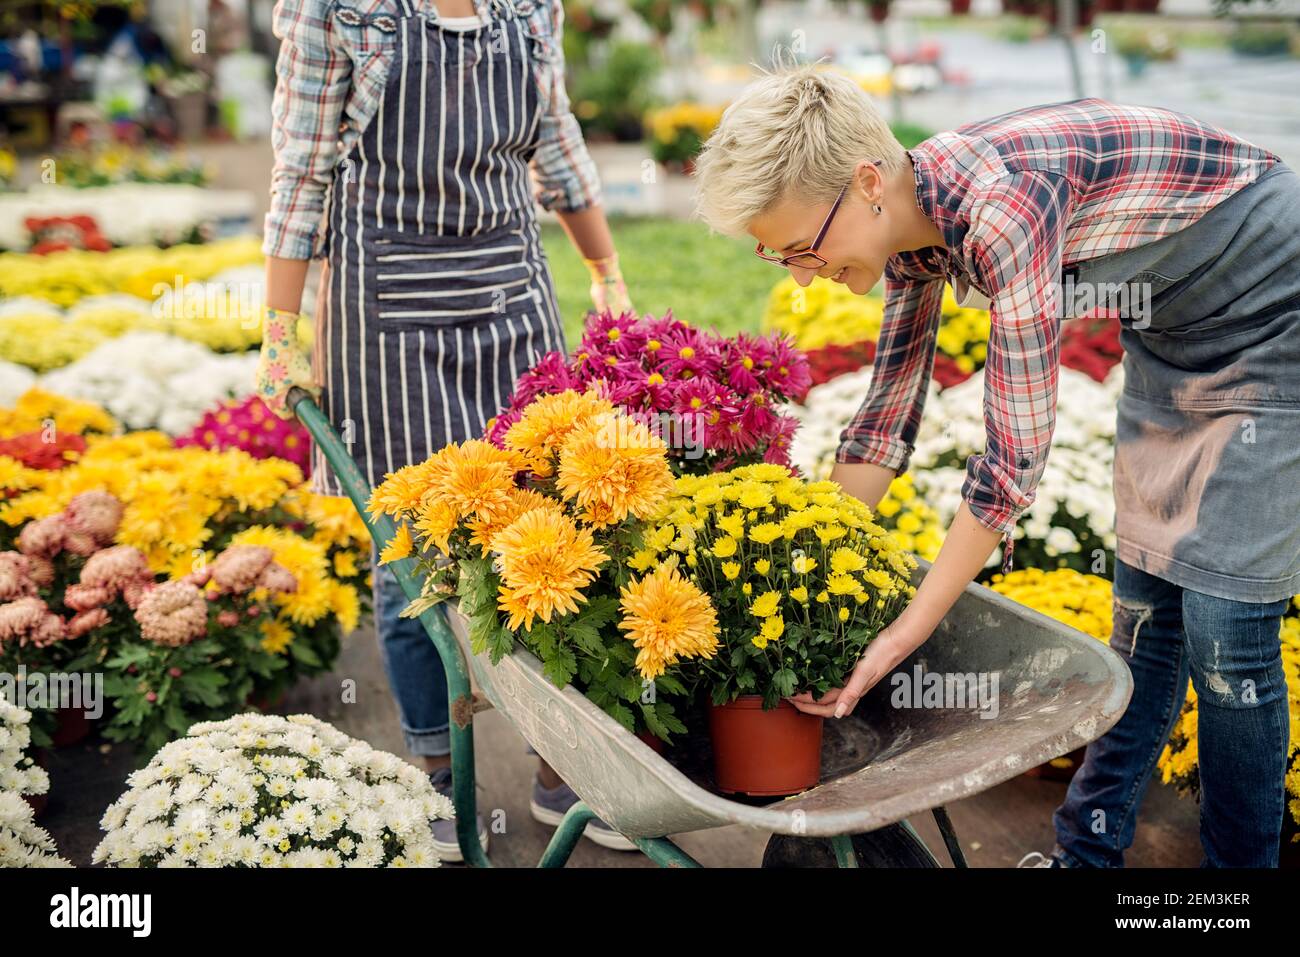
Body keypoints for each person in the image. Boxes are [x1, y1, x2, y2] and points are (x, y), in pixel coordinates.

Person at [691, 58, 1299, 868]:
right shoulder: (912, 226)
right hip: (1174, 335)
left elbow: (1013, 461)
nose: (803, 278)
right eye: (780, 260)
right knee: (1147, 606)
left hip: (1276, 311)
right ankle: (1088, 853)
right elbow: (884, 422)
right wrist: (804, 576)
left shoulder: (1006, 207)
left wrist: (896, 637)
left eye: (803, 247)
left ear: (867, 181)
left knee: (1227, 634)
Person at [256, 0, 637, 859]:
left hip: (511, 285)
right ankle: (431, 774)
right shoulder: (337, 12)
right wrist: (280, 334)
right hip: (387, 303)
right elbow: (302, 172)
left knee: (552, 524)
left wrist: (604, 268)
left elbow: (558, 140)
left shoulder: (530, 8)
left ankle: (559, 766)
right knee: (412, 553)